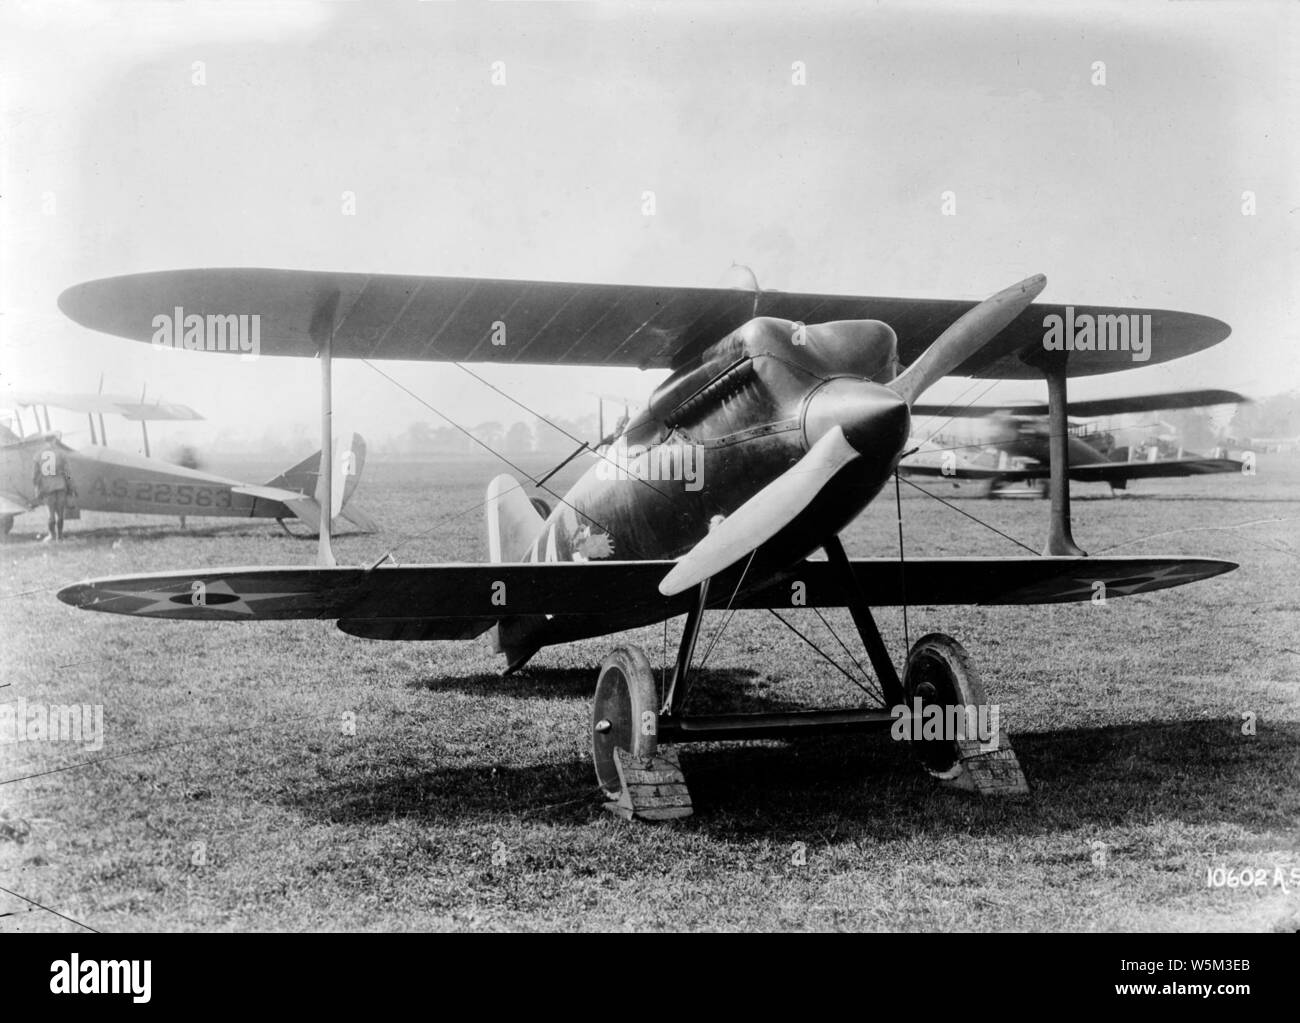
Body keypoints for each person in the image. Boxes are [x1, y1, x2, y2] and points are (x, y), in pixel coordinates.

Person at [32, 434, 75, 541]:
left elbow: (35, 475)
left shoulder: (38, 455)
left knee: (50, 514)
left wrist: (37, 487)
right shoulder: (61, 453)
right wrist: (71, 485)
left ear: (44, 440)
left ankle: (52, 535)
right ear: (55, 440)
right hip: (60, 485)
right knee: (60, 513)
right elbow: (67, 473)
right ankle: (60, 536)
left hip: (46, 487)